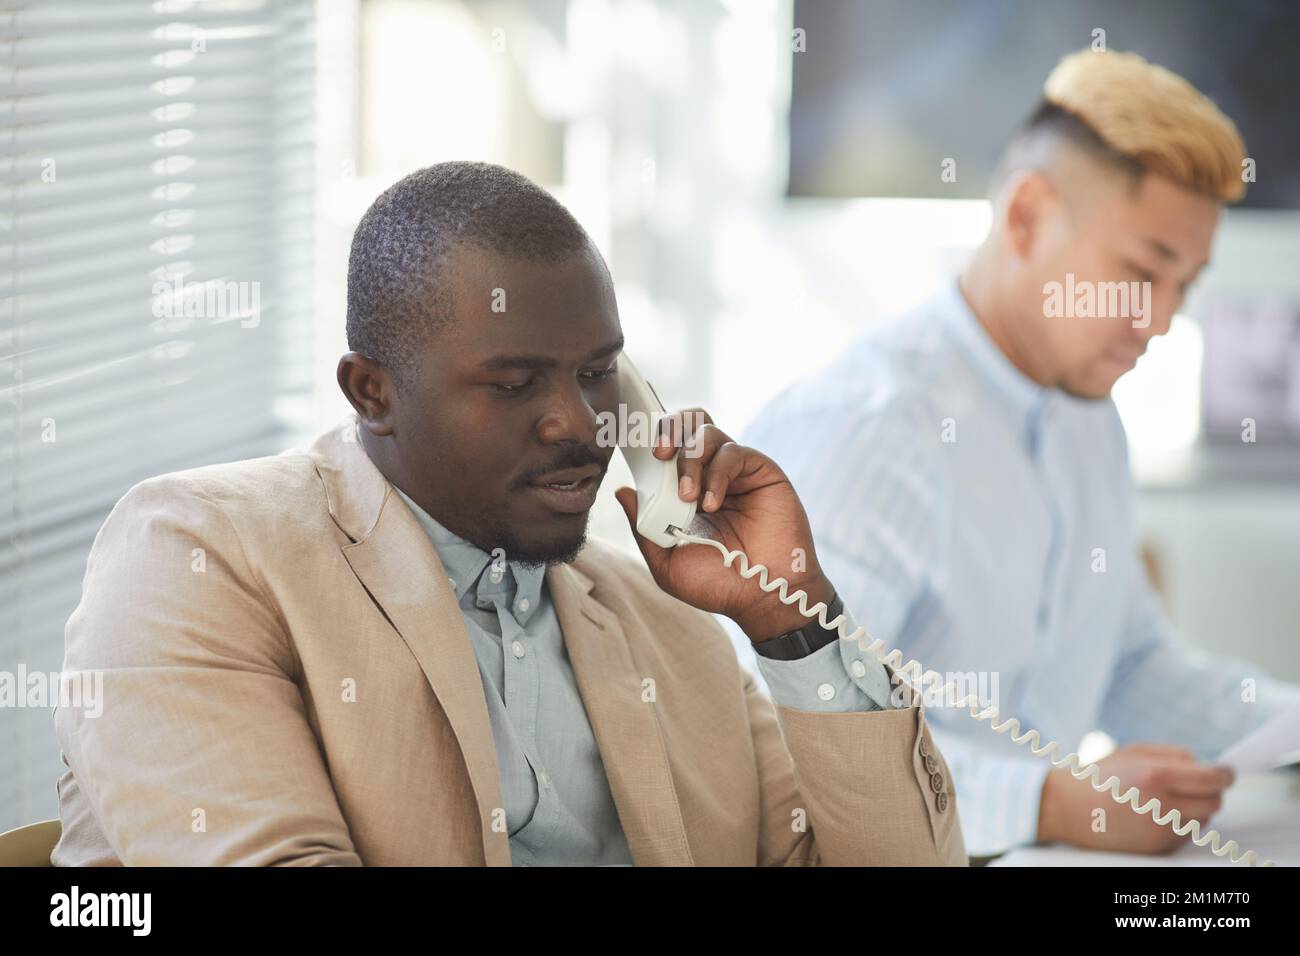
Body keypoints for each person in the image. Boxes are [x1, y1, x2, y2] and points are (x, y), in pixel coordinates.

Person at [51, 162, 966, 866]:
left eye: (600, 370)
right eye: (515, 382)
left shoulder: (670, 618)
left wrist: (788, 618)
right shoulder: (201, 557)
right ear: (372, 392)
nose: (578, 421)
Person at [740, 49, 1300, 858]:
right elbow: (782, 738)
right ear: (1028, 216)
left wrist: (1288, 725)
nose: (1161, 321)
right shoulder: (868, 429)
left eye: (1185, 286)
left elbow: (1130, 664)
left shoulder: (1087, 419)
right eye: (1143, 273)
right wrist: (1050, 803)